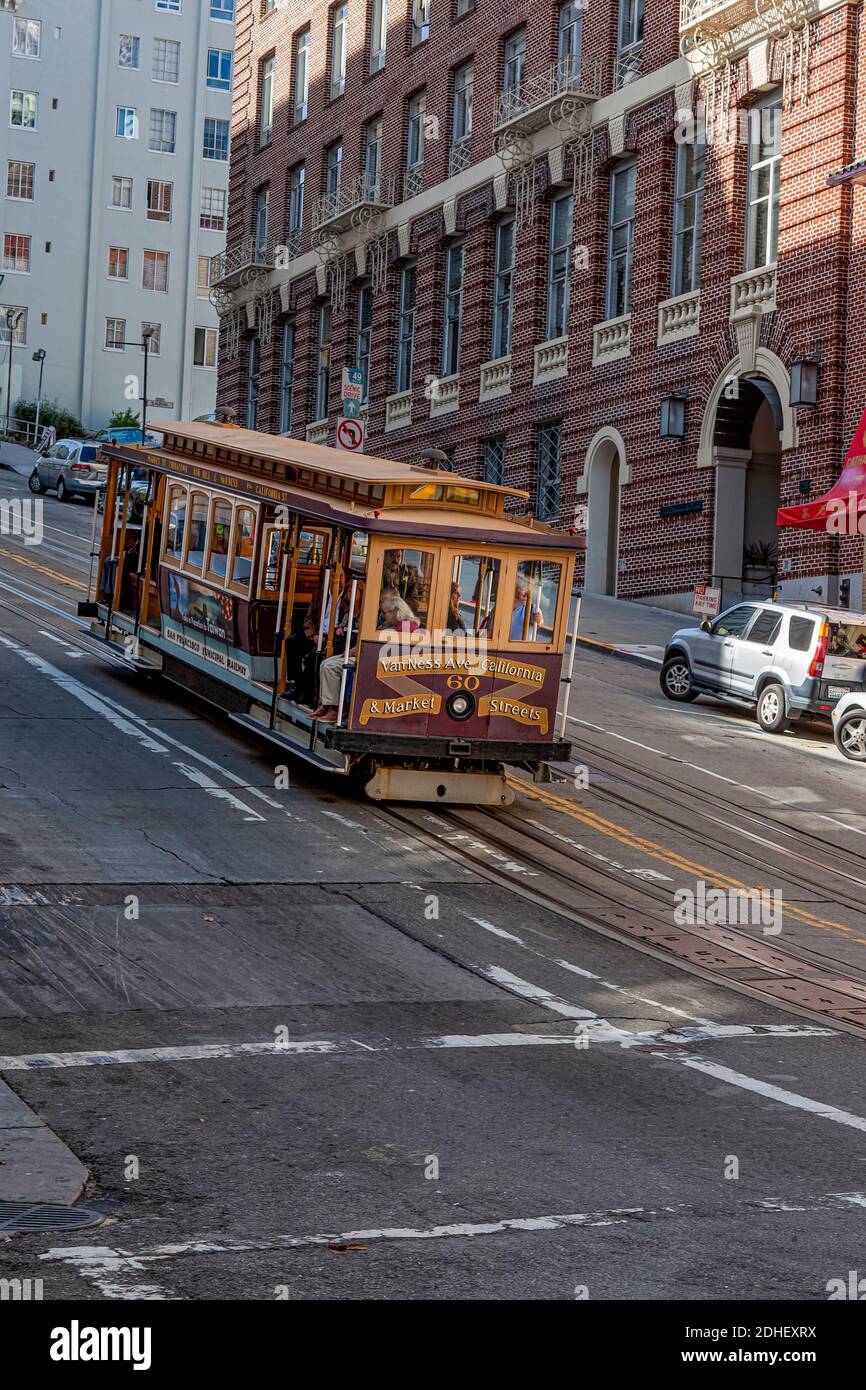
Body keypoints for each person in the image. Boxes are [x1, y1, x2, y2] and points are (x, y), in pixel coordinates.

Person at [312, 592, 416, 723]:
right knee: (325, 663)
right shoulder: (389, 625)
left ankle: (336, 708)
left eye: (385, 613)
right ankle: (326, 704)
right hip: (368, 655)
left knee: (331, 666)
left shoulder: (406, 627)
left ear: (396, 611)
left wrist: (354, 652)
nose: (384, 616)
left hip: (375, 660)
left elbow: (387, 649)